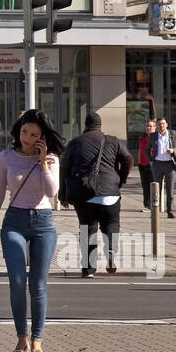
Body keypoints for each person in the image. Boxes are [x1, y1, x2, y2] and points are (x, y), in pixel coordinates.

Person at [0, 109, 63, 352]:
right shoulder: (6, 157)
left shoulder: (51, 159)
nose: (27, 138)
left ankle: (37, 340)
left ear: (43, 138)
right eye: (24, 132)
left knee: (38, 284)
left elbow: (51, 192)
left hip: (43, 223)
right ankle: (21, 338)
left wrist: (42, 162)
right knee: (17, 281)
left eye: (34, 135)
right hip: (14, 222)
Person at [63, 113, 133, 277]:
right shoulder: (113, 141)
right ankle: (111, 251)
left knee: (87, 229)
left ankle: (88, 269)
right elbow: (128, 159)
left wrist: (63, 192)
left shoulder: (75, 143)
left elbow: (64, 168)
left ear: (85, 125)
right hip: (110, 193)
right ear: (100, 125)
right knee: (111, 224)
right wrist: (120, 179)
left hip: (84, 193)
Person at [146, 117, 176, 218]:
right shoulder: (153, 136)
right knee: (156, 189)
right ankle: (155, 211)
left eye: (163, 123)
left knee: (170, 189)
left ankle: (170, 211)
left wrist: (173, 151)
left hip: (170, 164)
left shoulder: (173, 134)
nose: (161, 125)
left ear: (166, 125)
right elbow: (147, 149)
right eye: (159, 124)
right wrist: (150, 161)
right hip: (157, 164)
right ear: (157, 126)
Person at [138, 119, 155, 209]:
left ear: (155, 127)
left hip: (151, 164)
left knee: (152, 185)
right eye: (147, 126)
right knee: (145, 186)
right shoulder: (143, 137)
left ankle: (153, 204)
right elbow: (140, 150)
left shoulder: (156, 138)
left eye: (150, 126)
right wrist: (139, 162)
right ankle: (146, 204)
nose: (148, 128)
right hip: (142, 165)